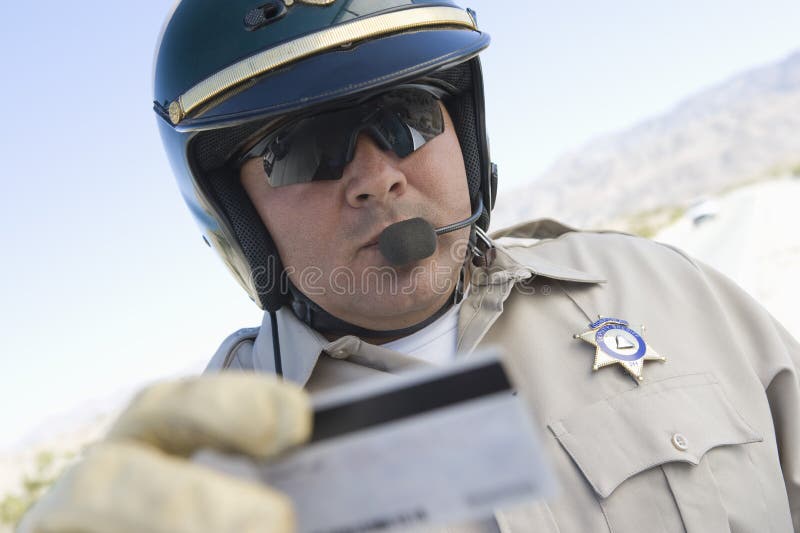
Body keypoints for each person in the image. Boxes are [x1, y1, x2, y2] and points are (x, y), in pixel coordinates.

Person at [20, 1, 800, 532]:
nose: (375, 177)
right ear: (237, 217)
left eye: (408, 118)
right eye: (303, 151)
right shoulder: (201, 480)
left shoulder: (666, 290)